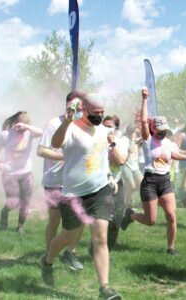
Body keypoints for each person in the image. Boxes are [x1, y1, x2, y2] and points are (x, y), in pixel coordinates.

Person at [41, 93, 122, 299]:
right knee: (68, 236)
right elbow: (56, 143)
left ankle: (105, 288)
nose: (100, 116)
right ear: (84, 109)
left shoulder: (104, 130)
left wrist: (111, 171)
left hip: (100, 189)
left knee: (100, 238)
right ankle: (48, 260)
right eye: (96, 113)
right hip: (74, 194)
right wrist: (67, 121)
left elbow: (114, 159)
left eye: (103, 113)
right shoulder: (72, 128)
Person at [120, 88, 186, 256]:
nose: (163, 132)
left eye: (165, 130)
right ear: (154, 129)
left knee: (171, 215)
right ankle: (131, 215)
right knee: (151, 221)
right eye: (160, 130)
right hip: (150, 182)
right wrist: (144, 99)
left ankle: (171, 248)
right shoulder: (148, 141)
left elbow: (174, 154)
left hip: (165, 182)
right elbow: (143, 122)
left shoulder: (169, 143)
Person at [37, 91, 84, 271]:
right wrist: (62, 156)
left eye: (80, 108)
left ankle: (70, 253)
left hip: (75, 181)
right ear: (67, 105)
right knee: (55, 219)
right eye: (74, 107)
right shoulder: (53, 124)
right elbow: (41, 151)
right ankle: (49, 256)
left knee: (81, 219)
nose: (77, 111)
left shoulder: (82, 126)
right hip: (54, 181)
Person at [0, 111, 42, 233]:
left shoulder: (29, 133)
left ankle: (20, 226)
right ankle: (4, 212)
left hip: (26, 173)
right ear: (15, 123)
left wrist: (27, 127)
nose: (21, 130)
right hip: (9, 174)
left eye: (24, 126)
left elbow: (41, 132)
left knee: (26, 203)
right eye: (20, 125)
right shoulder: (5, 134)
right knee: (13, 202)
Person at [88, 115, 128, 255]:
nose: (106, 129)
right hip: (100, 184)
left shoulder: (122, 141)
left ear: (116, 129)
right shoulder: (95, 140)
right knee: (101, 219)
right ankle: (96, 251)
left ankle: (106, 252)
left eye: (110, 126)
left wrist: (113, 144)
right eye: (103, 125)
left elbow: (121, 161)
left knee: (116, 220)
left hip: (117, 183)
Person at [121, 125, 143, 208]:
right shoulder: (124, 140)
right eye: (135, 132)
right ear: (130, 132)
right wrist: (133, 140)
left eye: (137, 132)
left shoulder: (135, 140)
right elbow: (130, 150)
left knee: (142, 183)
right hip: (126, 166)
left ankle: (137, 201)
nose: (136, 134)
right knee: (132, 186)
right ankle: (128, 204)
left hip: (135, 166)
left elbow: (139, 147)